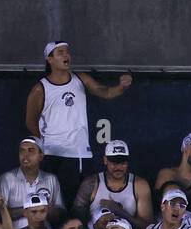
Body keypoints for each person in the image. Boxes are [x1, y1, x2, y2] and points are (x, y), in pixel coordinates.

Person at [26, 42, 133, 203]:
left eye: (67, 52)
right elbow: (30, 120)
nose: (66, 55)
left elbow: (105, 92)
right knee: (52, 203)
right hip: (52, 154)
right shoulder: (41, 88)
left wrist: (121, 87)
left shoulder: (80, 79)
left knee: (79, 204)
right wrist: (43, 146)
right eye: (60, 52)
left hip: (79, 154)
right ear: (49, 59)